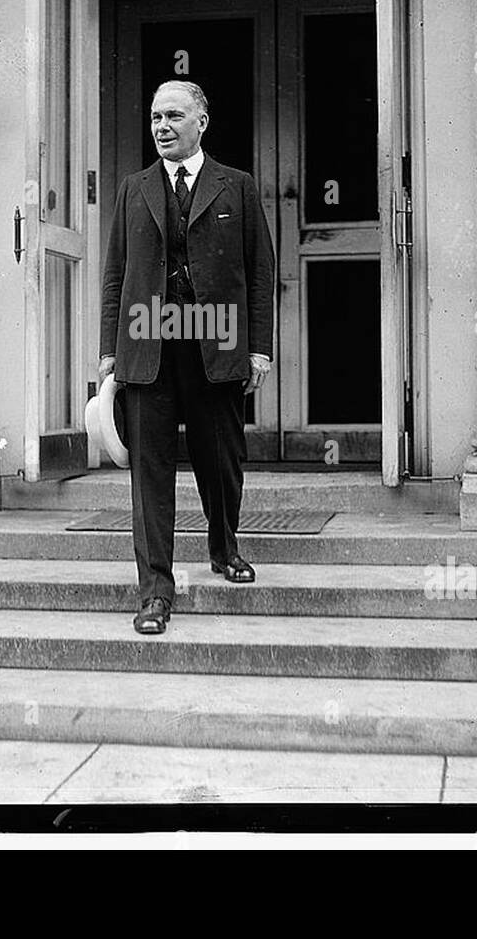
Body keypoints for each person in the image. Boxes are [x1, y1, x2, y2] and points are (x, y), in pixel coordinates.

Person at [98, 80, 276, 635]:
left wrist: (259, 350)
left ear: (202, 121)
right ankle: (155, 592)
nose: (161, 126)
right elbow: (113, 277)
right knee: (150, 473)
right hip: (147, 342)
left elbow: (260, 271)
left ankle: (224, 549)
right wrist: (109, 352)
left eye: (173, 115)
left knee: (220, 458)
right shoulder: (134, 189)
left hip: (215, 339)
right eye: (154, 116)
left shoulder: (237, 187)